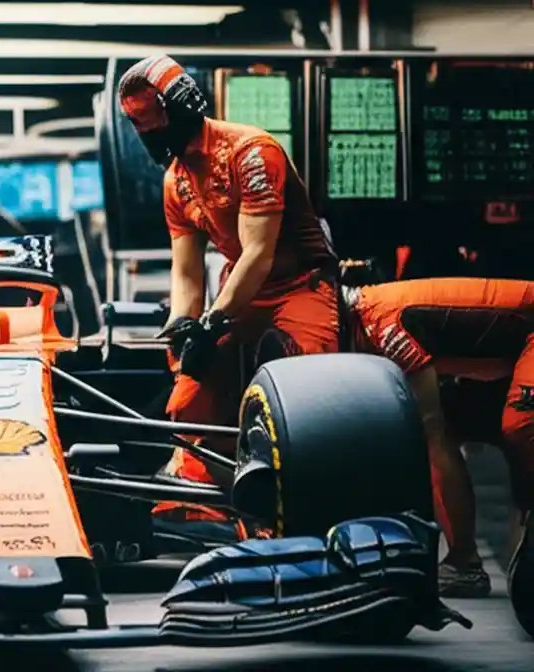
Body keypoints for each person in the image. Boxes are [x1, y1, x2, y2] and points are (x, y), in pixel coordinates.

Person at [116, 55, 339, 492]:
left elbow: (259, 253)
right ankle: (207, 504)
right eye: (138, 124)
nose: (146, 132)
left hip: (300, 287)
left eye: (151, 119)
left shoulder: (252, 152)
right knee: (187, 402)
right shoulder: (175, 181)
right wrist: (183, 327)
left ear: (178, 106)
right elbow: (186, 273)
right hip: (240, 293)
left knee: (310, 401)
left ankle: (309, 502)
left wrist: (213, 321)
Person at [343, 277, 534, 598]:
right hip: (510, 351)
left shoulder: (383, 324)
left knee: (519, 426)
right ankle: (466, 561)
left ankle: (465, 562)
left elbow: (430, 430)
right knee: (452, 427)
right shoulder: (368, 317)